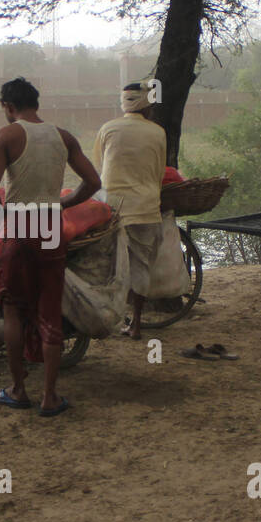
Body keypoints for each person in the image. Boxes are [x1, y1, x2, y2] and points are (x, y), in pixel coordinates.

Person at [0, 78, 101, 417]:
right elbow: (94, 182)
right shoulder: (63, 136)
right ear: (36, 102)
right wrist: (63, 206)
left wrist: (5, 220)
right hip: (51, 227)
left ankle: (18, 389)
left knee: (13, 311)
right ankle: (50, 397)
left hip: (18, 227)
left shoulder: (6, 136)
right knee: (49, 311)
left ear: (9, 107)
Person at [93, 81, 167, 340]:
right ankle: (136, 323)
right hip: (145, 207)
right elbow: (159, 172)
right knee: (141, 264)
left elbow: (100, 168)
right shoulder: (158, 132)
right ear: (146, 106)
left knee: (109, 263)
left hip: (112, 208)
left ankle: (106, 317)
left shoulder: (108, 129)